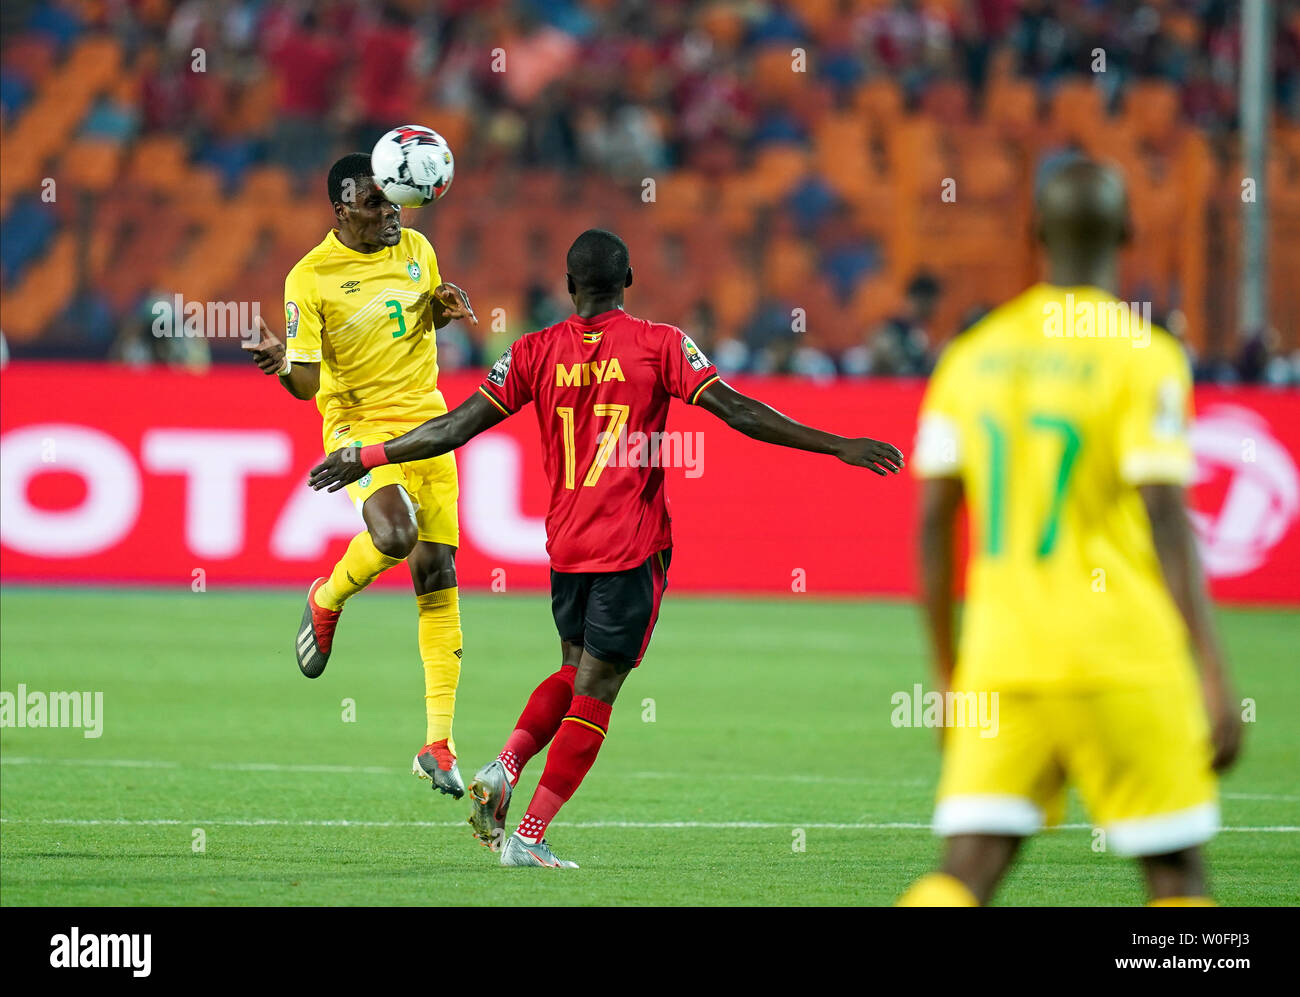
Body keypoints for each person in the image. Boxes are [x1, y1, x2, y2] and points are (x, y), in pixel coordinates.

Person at [309, 228, 905, 867]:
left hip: (566, 546)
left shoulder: (532, 350)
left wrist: (367, 455)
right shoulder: (661, 343)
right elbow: (740, 413)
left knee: (574, 670)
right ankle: (529, 837)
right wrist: (837, 444)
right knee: (599, 689)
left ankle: (506, 765)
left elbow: (454, 428)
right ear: (629, 281)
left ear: (569, 288)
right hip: (630, 547)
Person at [899, 159, 1242, 906]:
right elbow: (1164, 518)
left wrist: (949, 672)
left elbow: (931, 520)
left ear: (1034, 236)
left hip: (1005, 656)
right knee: (1175, 874)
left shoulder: (971, 357)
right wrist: (1212, 672)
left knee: (967, 869)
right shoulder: (1144, 355)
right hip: (1123, 652)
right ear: (1126, 232)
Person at [242, 153, 477, 799]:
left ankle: (437, 742)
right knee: (397, 536)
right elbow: (307, 384)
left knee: (437, 575)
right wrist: (283, 363)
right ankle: (328, 596)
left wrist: (440, 307)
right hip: (359, 426)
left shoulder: (418, 249)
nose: (390, 214)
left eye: (394, 202)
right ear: (340, 211)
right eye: (375, 205)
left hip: (427, 423)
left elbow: (412, 316)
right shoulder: (311, 277)